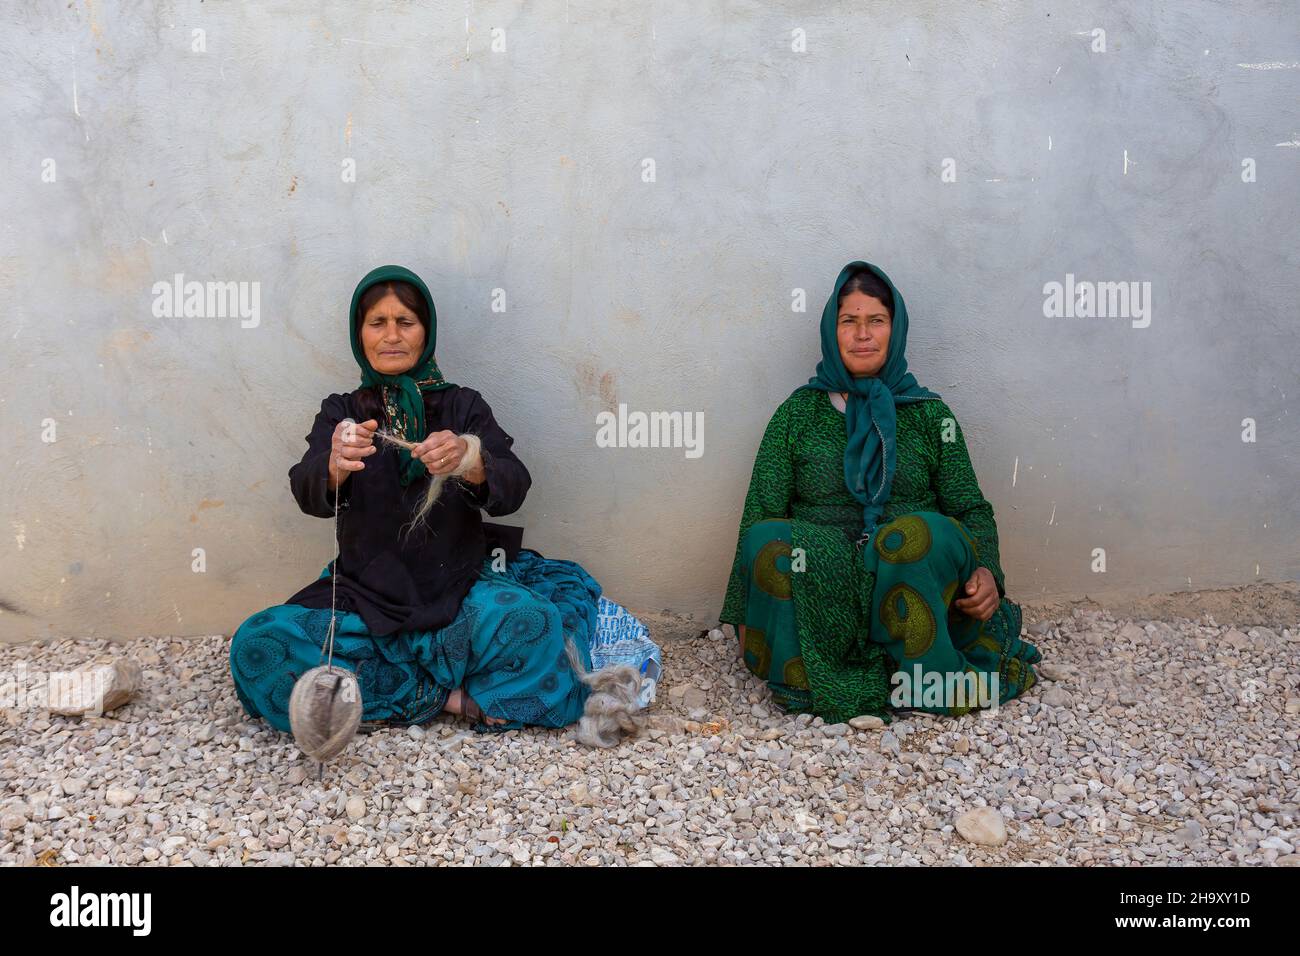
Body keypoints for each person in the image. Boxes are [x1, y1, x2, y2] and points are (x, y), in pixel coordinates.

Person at [230, 264, 604, 733]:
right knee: (257, 644)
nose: (391, 335)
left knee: (537, 623)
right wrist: (333, 464)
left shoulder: (463, 406)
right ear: (359, 333)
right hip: (364, 597)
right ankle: (449, 699)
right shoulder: (342, 412)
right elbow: (306, 489)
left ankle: (378, 694)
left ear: (425, 332)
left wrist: (471, 458)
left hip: (459, 591)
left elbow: (515, 485)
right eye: (377, 323)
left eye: (405, 322)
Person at [720, 261, 1042, 723]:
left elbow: (970, 509)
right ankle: (841, 670)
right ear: (832, 332)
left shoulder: (932, 417)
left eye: (876, 321)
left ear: (896, 329)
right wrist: (747, 612)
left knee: (912, 537)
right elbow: (761, 513)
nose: (862, 334)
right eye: (849, 321)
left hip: (913, 578)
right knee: (769, 540)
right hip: (827, 583)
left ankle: (928, 677)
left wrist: (988, 572)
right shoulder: (796, 415)